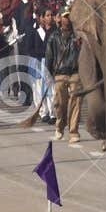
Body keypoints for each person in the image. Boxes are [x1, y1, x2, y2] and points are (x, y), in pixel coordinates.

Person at [46, 12, 81, 142]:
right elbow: (49, 56)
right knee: (59, 103)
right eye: (65, 17)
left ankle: (73, 131)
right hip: (59, 73)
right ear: (60, 19)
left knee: (76, 102)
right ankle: (60, 126)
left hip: (75, 73)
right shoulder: (53, 37)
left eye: (69, 17)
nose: (67, 19)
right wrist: (49, 74)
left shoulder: (78, 36)